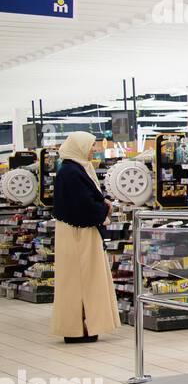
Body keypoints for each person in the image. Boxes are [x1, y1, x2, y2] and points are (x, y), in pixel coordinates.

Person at [51, 132, 119, 344]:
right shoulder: (72, 173)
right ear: (79, 147)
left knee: (76, 280)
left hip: (75, 232)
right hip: (79, 234)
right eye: (90, 146)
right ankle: (82, 326)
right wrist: (104, 208)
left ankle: (80, 325)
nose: (94, 150)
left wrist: (101, 203)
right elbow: (84, 206)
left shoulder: (73, 169)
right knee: (84, 280)